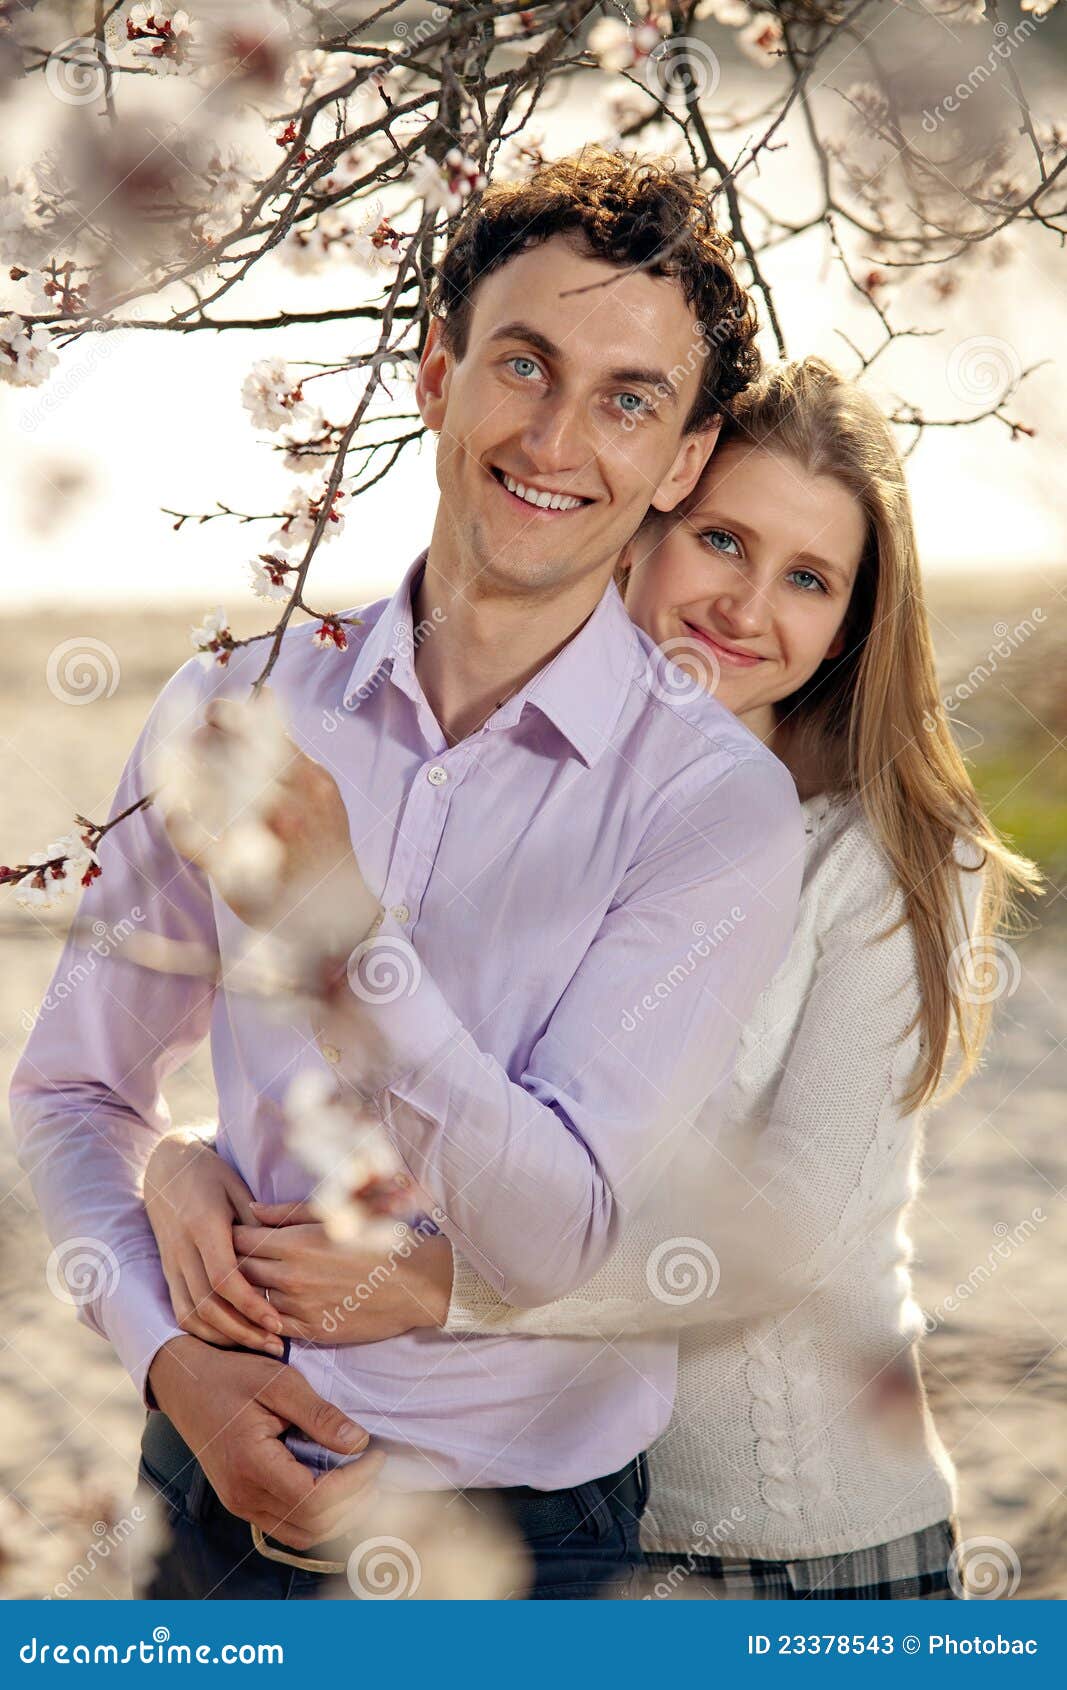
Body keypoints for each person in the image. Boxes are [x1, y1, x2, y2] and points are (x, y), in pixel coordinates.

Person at [9, 150, 805, 1600]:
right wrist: (170, 1355)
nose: (555, 437)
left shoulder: (711, 809)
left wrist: (344, 931)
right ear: (438, 371)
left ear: (680, 460)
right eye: (521, 364)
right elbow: (74, 1091)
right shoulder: (225, 703)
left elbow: (554, 1228)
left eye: (627, 398)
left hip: (523, 1541)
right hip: (198, 1482)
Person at [145, 357, 1039, 1601]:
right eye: (719, 539)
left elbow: (782, 1235)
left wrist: (444, 1288)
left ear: (848, 625)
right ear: (640, 525)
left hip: (796, 1547)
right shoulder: (550, 796)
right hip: (577, 1514)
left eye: (807, 579)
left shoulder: (885, 857)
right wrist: (181, 1154)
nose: (743, 605)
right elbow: (435, 1077)